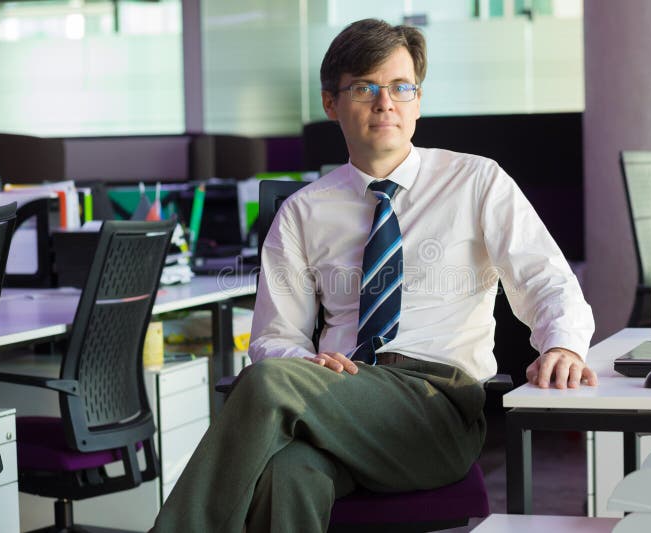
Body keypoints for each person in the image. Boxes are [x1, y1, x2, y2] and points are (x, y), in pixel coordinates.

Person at [151, 18, 596, 532]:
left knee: (267, 384)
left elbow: (546, 278)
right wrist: (310, 364)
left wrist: (563, 345)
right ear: (330, 103)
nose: (386, 102)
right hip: (337, 394)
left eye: (400, 87)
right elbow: (275, 337)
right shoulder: (301, 211)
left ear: (418, 101)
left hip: (438, 406)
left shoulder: (476, 180)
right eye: (364, 87)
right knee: (289, 474)